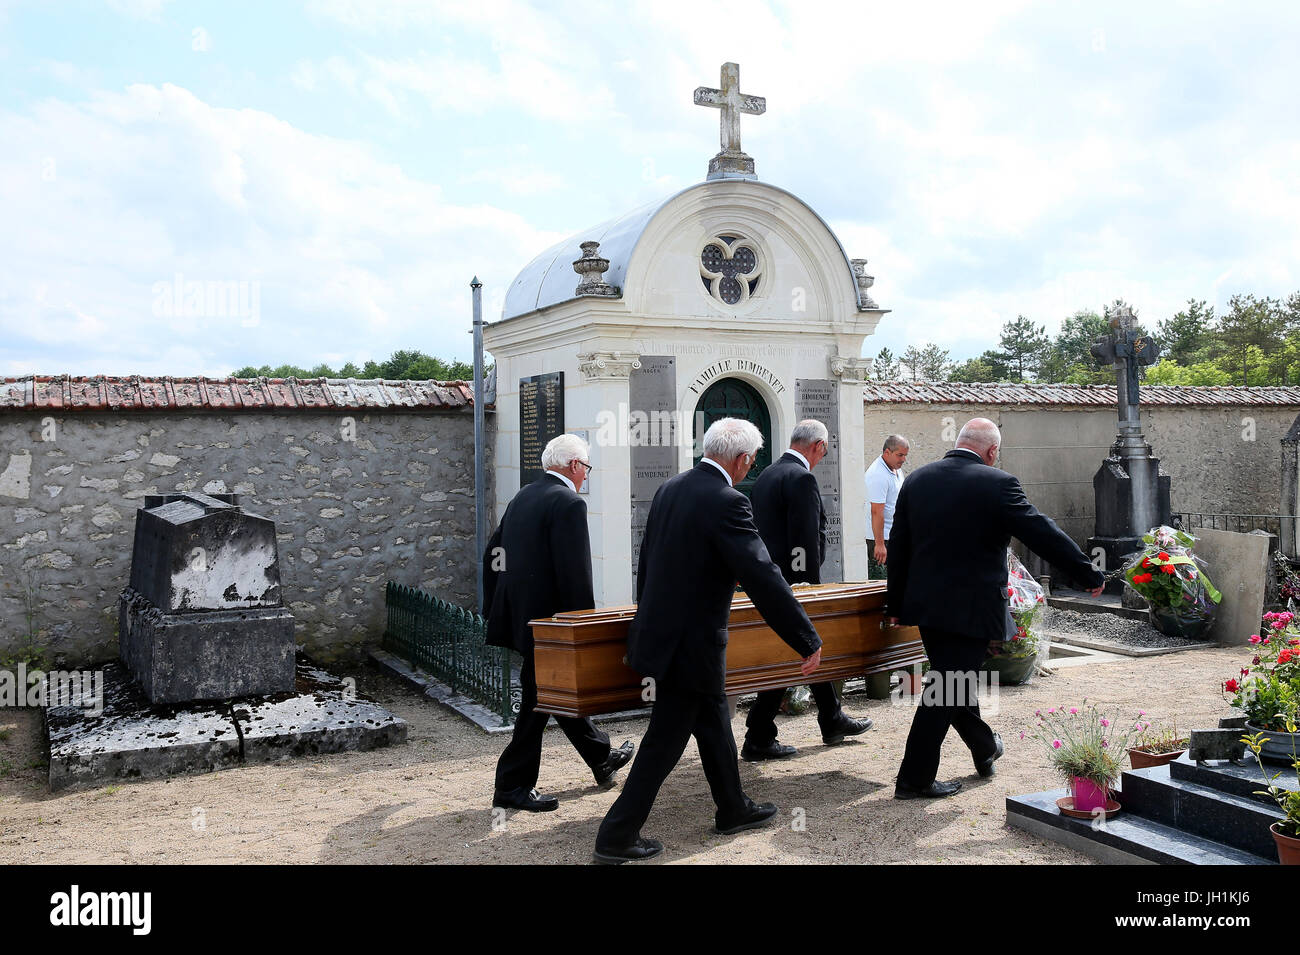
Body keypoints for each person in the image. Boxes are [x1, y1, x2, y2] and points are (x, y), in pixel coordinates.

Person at [593, 418, 823, 864]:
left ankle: (733, 808)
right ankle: (616, 835)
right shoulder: (728, 501)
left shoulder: (670, 488)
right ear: (743, 459)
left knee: (714, 720)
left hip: (666, 634)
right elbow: (762, 575)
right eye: (751, 461)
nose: (749, 467)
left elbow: (648, 563)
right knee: (664, 740)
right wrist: (805, 637)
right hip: (691, 644)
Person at [885, 418, 1105, 799]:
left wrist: (895, 603)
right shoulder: (998, 484)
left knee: (953, 679)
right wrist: (1086, 571)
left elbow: (898, 544)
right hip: (971, 608)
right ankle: (914, 779)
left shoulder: (917, 480)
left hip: (926, 607)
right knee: (947, 686)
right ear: (991, 451)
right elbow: (1040, 531)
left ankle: (984, 747)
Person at [484, 433, 634, 813]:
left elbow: (493, 553)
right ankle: (512, 787)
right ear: (574, 465)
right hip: (552, 626)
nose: (586, 476)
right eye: (586, 468)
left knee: (547, 692)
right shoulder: (569, 502)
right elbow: (575, 573)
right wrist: (583, 626)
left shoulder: (523, 496)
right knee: (538, 700)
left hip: (524, 619)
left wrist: (497, 606)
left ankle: (601, 756)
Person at [742, 419, 872, 760]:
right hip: (792, 584)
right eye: (824, 451)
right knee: (799, 651)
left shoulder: (768, 474)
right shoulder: (801, 478)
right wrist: (807, 587)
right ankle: (760, 733)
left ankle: (831, 718)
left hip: (770, 581)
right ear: (819, 446)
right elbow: (804, 539)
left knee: (804, 651)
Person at [865, 435, 909, 579]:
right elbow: (876, 511)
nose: (903, 459)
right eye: (900, 455)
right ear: (887, 452)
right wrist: (879, 544)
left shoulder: (896, 468)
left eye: (905, 455)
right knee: (881, 582)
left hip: (893, 535)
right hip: (880, 539)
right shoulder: (878, 474)